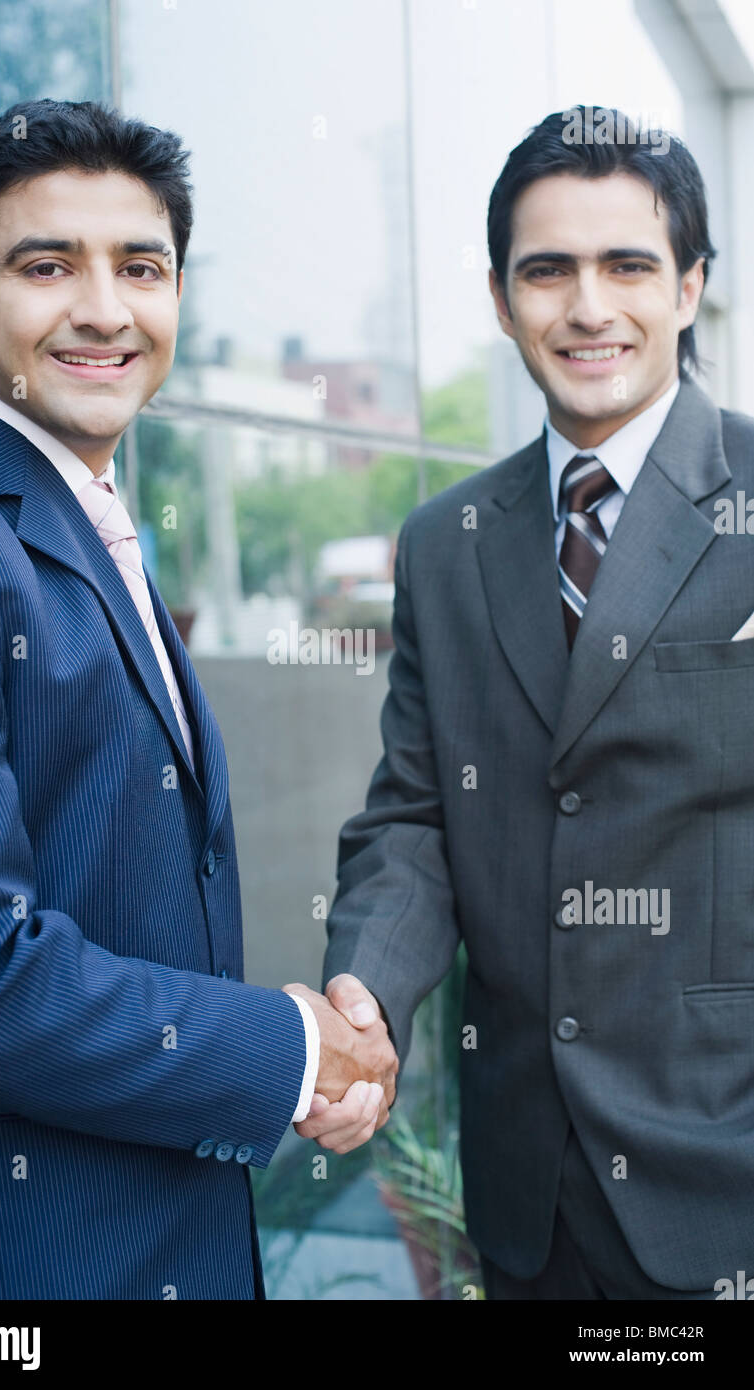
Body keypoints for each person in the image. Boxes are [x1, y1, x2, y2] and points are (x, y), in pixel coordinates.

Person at [0, 97, 396, 1301]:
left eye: (142, 267)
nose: (106, 310)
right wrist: (286, 1047)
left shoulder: (67, 513)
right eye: (47, 264)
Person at [302, 105, 754, 1300]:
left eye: (627, 266)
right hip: (527, 1192)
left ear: (690, 286)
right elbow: (413, 817)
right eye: (546, 270)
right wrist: (366, 996)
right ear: (502, 301)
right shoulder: (445, 545)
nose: (587, 306)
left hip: (727, 1173)